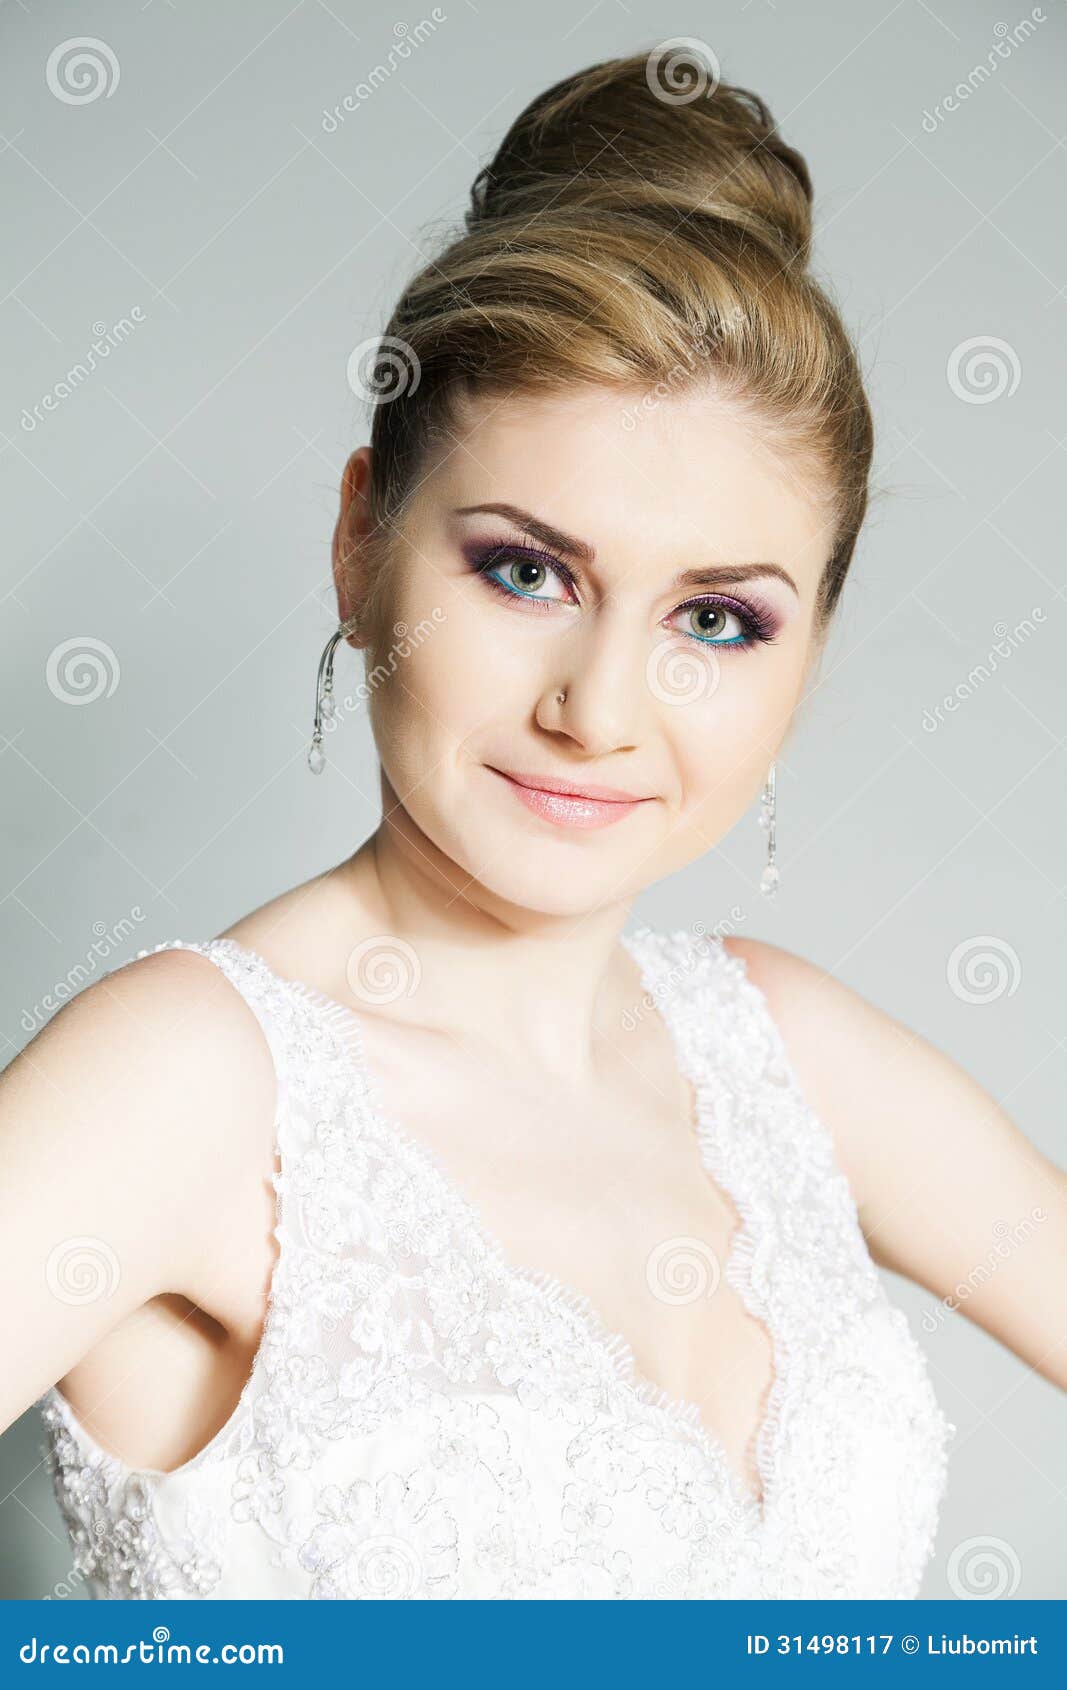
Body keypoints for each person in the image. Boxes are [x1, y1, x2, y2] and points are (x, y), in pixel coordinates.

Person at [2, 49, 1063, 1602]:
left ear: (811, 653)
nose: (602, 707)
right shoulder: (191, 1080)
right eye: (524, 571)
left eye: (717, 617)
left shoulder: (790, 1052)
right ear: (361, 538)